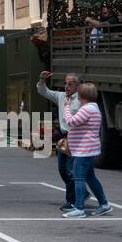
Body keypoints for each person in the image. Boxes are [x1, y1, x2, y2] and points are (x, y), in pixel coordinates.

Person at [60, 82, 112, 218]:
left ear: (81, 96)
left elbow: (71, 122)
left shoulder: (87, 109)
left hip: (83, 150)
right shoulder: (94, 107)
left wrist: (66, 107)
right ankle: (104, 204)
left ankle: (79, 208)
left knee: (79, 178)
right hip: (89, 149)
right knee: (90, 177)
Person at [37, 70, 85, 212]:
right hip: (63, 137)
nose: (67, 86)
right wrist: (42, 79)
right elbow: (43, 91)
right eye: (65, 83)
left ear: (79, 85)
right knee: (62, 170)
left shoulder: (82, 99)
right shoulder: (61, 96)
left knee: (70, 170)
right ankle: (83, 193)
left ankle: (72, 200)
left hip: (75, 137)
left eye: (71, 84)